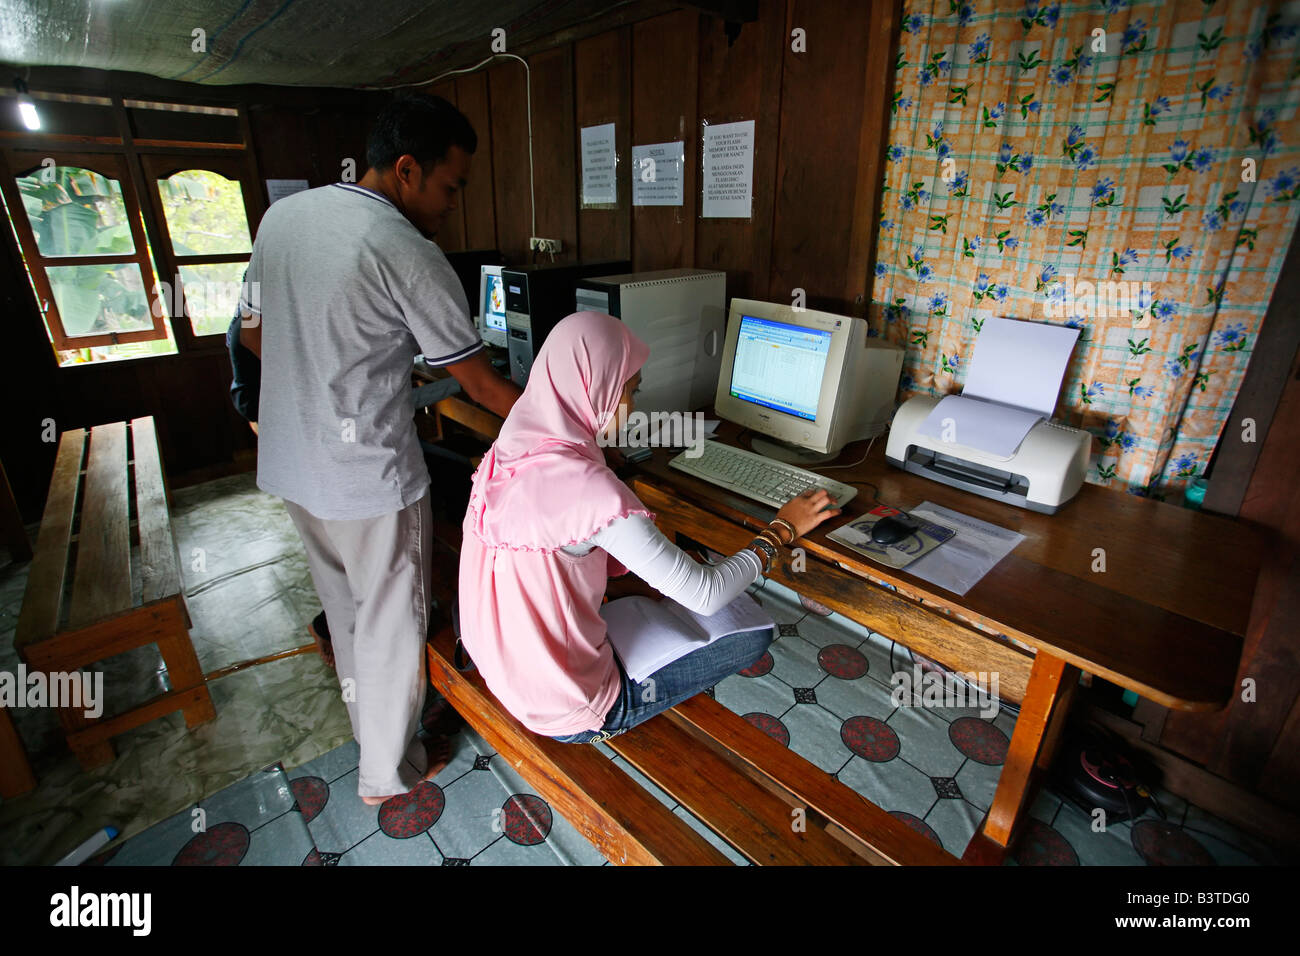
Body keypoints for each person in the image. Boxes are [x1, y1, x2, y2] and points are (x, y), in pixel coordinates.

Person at [238, 95, 521, 804]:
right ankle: (386, 776)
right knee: (395, 622)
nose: (453, 205)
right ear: (405, 170)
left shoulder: (285, 217)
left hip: (294, 467)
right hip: (368, 480)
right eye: (451, 186)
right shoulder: (404, 247)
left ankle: (373, 738)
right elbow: (483, 387)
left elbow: (249, 333)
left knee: (345, 609)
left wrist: (329, 375)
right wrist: (575, 427)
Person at [457, 311, 839, 742]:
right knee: (752, 632)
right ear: (596, 390)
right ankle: (617, 710)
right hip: (568, 708)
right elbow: (705, 594)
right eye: (630, 392)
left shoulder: (512, 445)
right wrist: (781, 530)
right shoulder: (587, 491)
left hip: (505, 670)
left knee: (663, 585)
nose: (634, 406)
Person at [226, 292, 338, 668]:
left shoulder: (249, 321)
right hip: (301, 450)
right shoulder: (258, 329)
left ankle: (332, 626)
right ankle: (331, 627)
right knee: (342, 552)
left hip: (295, 454)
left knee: (334, 554)